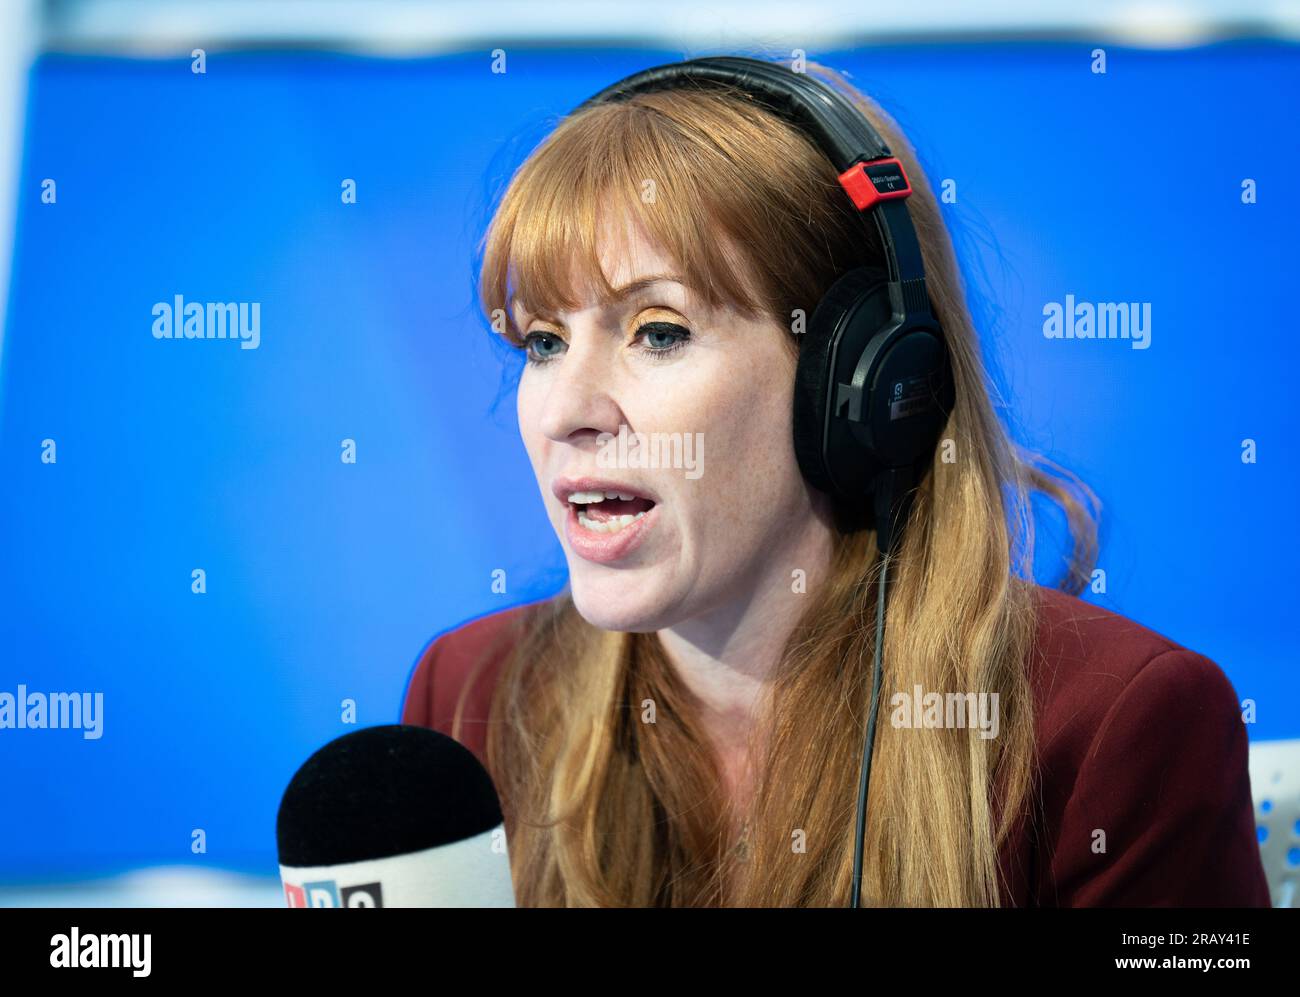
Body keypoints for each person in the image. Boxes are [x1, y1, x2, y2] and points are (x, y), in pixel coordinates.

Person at [402, 56, 1270, 907]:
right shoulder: (473, 697)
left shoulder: (1115, 732)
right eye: (543, 341)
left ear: (860, 381)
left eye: (658, 332)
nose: (567, 412)